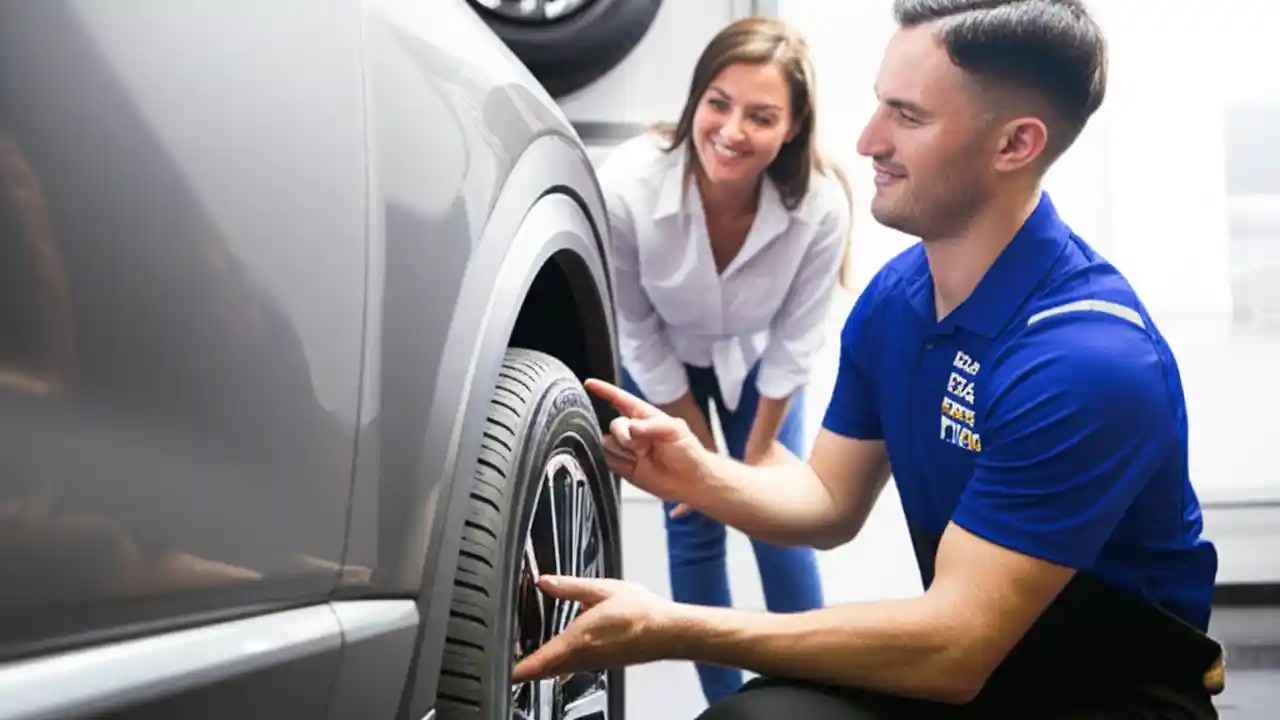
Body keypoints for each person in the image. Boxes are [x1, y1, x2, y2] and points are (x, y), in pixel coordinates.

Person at [513, 0, 1226, 717]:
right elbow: (829, 500)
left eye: (907, 117)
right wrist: (702, 474)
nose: (866, 140)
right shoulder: (898, 300)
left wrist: (668, 628)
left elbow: (953, 648)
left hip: (1103, 698)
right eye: (880, 104)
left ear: (1014, 144)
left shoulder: (1087, 362)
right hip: (977, 676)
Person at [592, 16, 852, 704]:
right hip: (661, 363)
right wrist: (701, 460)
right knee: (694, 522)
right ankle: (728, 707)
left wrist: (757, 455)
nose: (733, 131)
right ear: (696, 99)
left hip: (761, 371)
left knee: (779, 522)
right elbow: (636, 329)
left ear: (792, 127)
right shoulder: (626, 186)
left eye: (761, 116)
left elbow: (797, 341)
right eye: (719, 103)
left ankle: (815, 699)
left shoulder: (822, 206)